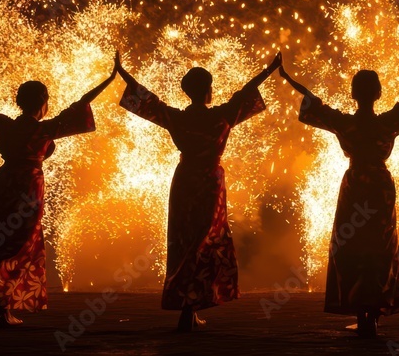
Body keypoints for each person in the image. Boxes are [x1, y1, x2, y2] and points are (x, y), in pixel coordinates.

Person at [0, 54, 116, 328]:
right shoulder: (46, 129)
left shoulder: (4, 124)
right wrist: (110, 78)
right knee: (21, 246)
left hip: (2, 185)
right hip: (28, 190)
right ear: (43, 103)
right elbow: (81, 104)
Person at [279, 46, 399, 337]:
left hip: (355, 185)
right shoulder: (388, 122)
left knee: (352, 246)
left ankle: (362, 316)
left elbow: (312, 101)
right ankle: (375, 311)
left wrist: (286, 76)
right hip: (381, 188)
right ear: (379, 93)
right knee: (380, 246)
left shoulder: (345, 123)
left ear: (353, 94)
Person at [116, 51, 280, 332]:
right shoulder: (221, 116)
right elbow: (246, 93)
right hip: (210, 184)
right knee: (206, 241)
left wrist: (122, 72)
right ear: (208, 91)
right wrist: (270, 69)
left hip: (184, 181)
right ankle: (193, 306)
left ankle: (186, 307)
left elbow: (146, 98)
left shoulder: (177, 118)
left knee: (185, 240)